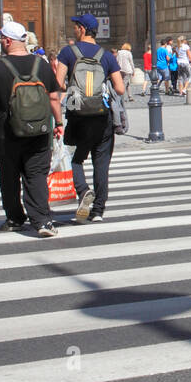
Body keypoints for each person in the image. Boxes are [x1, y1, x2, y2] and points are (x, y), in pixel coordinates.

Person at [0, 20, 63, 236]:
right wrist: (59, 123)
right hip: (40, 131)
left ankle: (14, 218)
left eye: (1, 38)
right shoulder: (41, 64)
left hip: (7, 133)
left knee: (9, 176)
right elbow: (54, 97)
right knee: (36, 175)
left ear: (7, 41)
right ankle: (42, 221)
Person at [55, 14, 124, 224]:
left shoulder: (68, 52)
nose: (74, 30)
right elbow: (120, 88)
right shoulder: (106, 55)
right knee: (101, 164)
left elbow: (58, 83)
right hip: (102, 116)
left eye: (76, 27)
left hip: (78, 115)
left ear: (83, 29)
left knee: (76, 158)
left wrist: (73, 87)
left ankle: (83, 190)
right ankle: (98, 211)